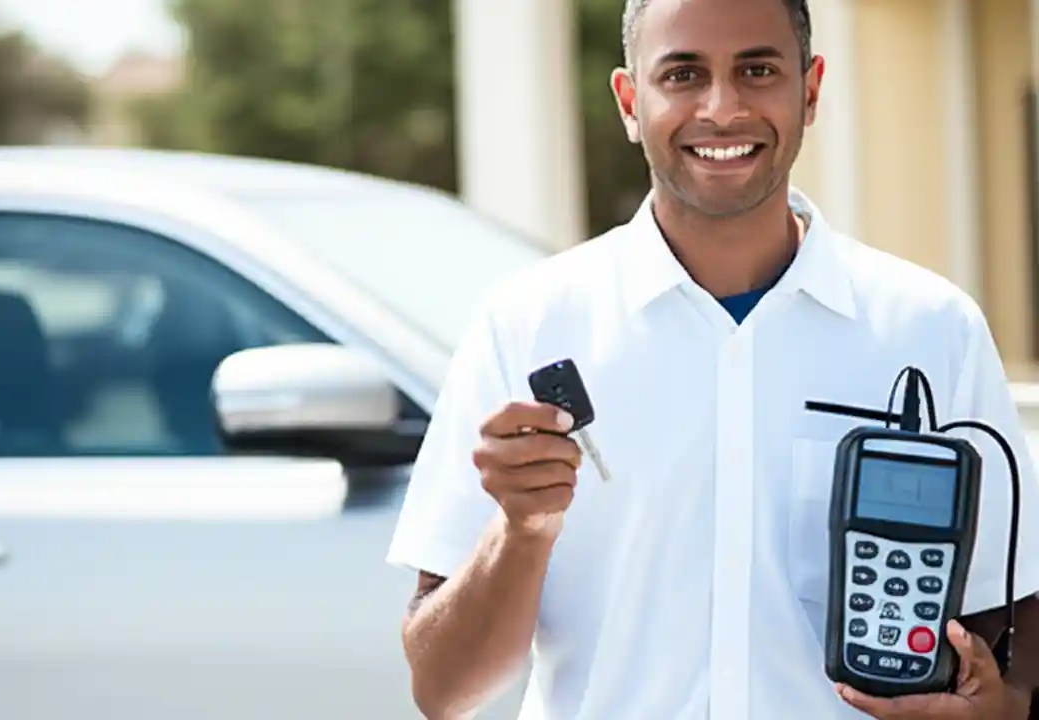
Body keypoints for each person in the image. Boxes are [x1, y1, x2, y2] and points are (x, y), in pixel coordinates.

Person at [386, 0, 1039, 717]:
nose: (722, 109)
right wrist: (519, 531)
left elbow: (1012, 634)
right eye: (683, 74)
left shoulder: (932, 329)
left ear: (810, 91)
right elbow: (445, 692)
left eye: (757, 70)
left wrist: (998, 709)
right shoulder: (528, 325)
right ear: (631, 102)